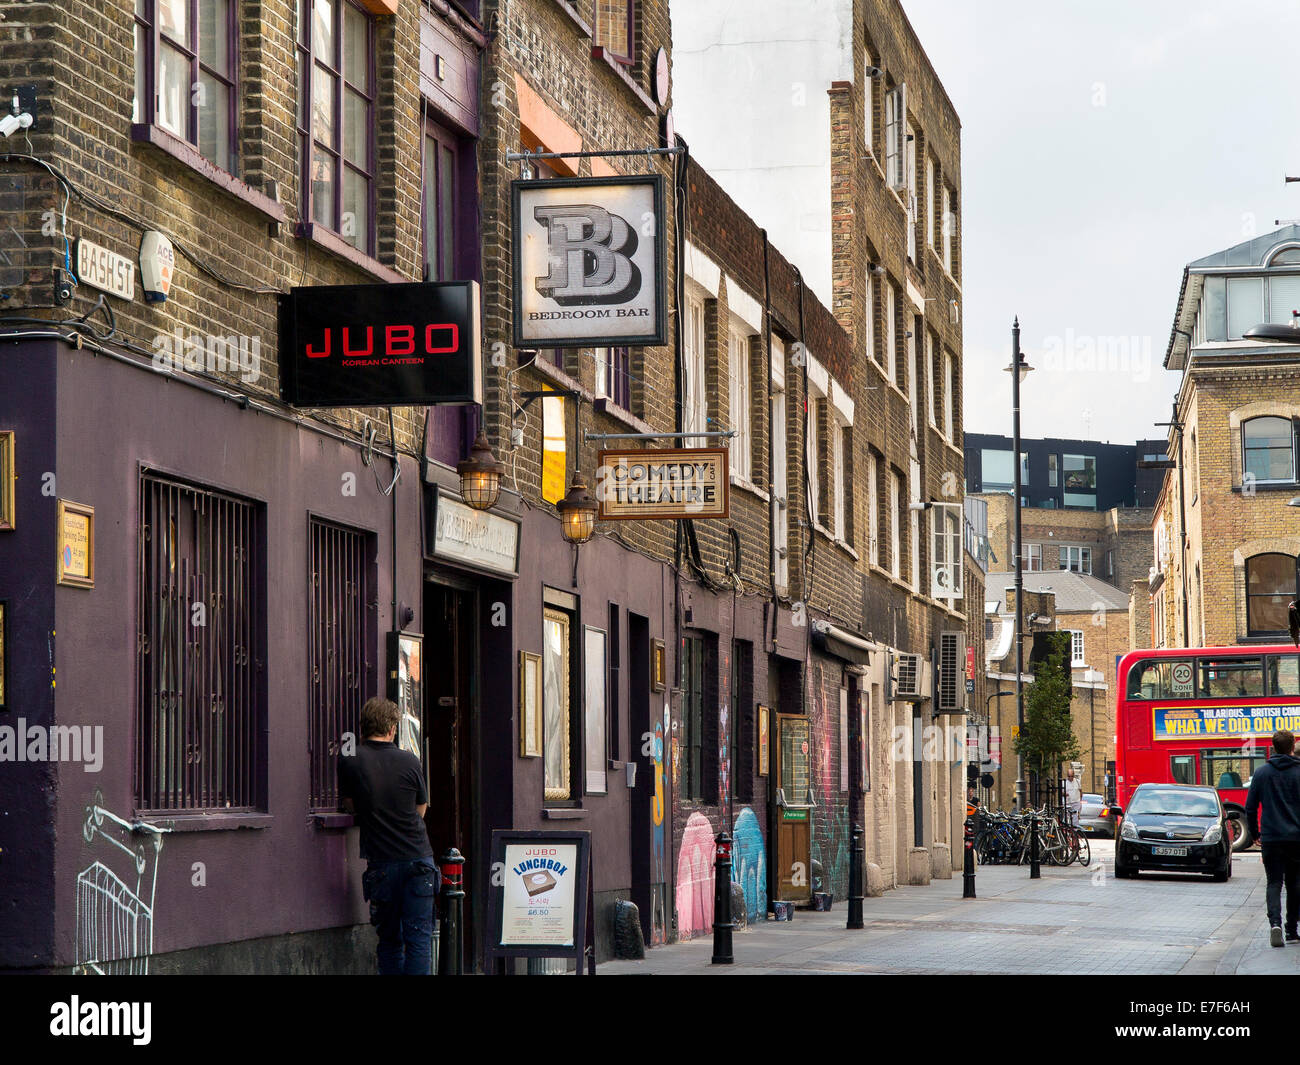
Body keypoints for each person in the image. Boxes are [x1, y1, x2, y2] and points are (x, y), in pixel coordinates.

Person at [338, 696, 439, 974]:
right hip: (418, 858)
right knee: (418, 939)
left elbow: (349, 803)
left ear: (363, 726)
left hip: (382, 862)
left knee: (390, 940)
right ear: (392, 728)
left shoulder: (351, 760)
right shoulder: (409, 760)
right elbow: (421, 805)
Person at [1246, 729, 1300, 947]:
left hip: (1271, 837)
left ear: (1273, 746)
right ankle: (1291, 930)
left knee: (1274, 882)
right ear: (1291, 746)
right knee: (1295, 883)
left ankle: (1274, 924)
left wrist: (1255, 834)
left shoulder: (1262, 773)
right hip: (1296, 838)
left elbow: (1250, 807)